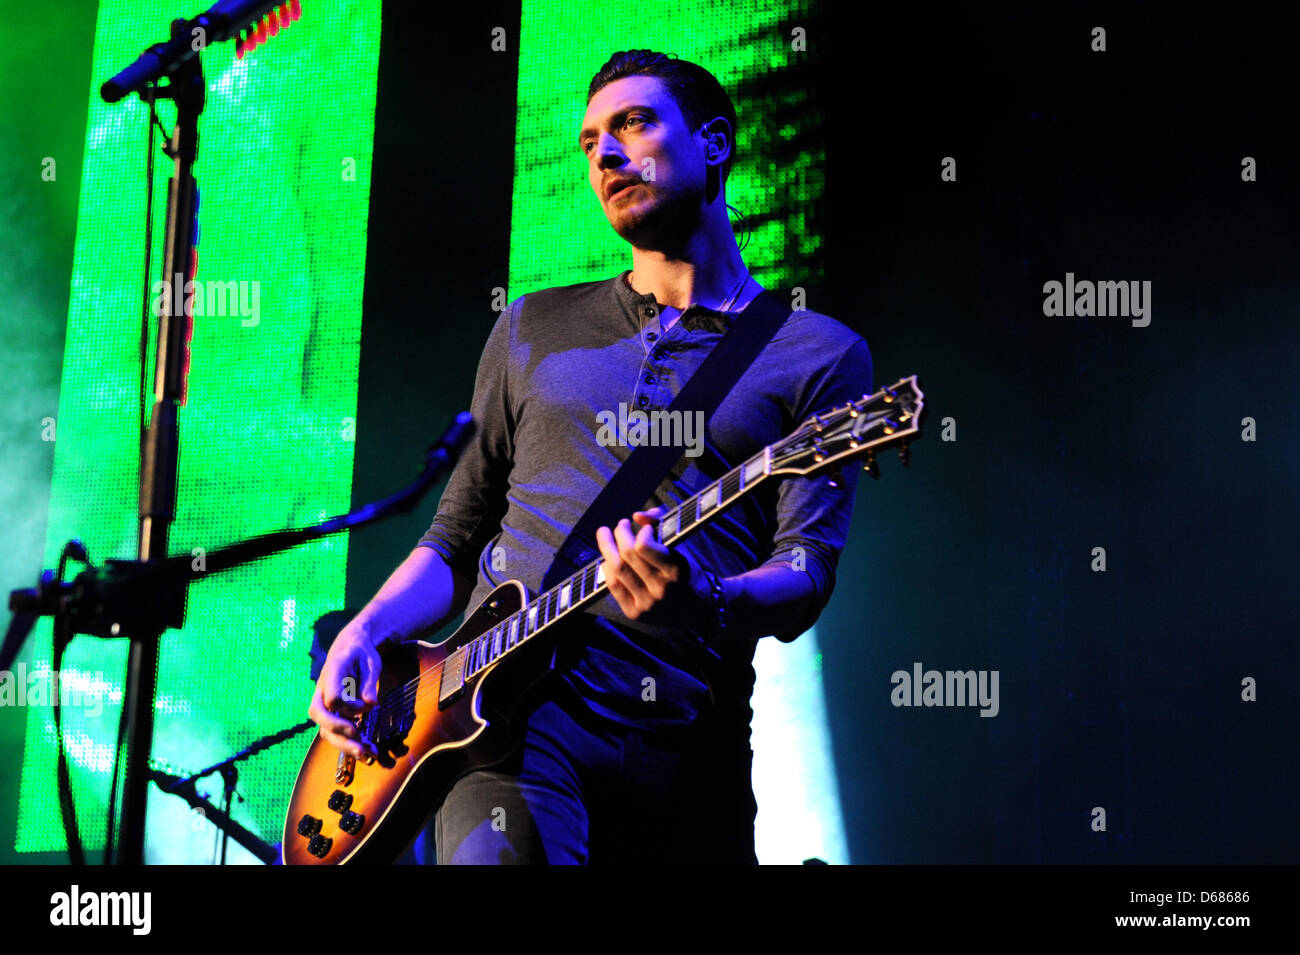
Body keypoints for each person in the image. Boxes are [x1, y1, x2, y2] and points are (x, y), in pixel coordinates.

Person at [308, 49, 873, 864]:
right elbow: (456, 535)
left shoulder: (816, 353)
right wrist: (366, 627)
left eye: (633, 124)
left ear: (715, 144)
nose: (605, 153)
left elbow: (806, 571)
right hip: (507, 730)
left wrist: (702, 601)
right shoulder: (529, 327)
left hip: (689, 745)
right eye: (588, 142)